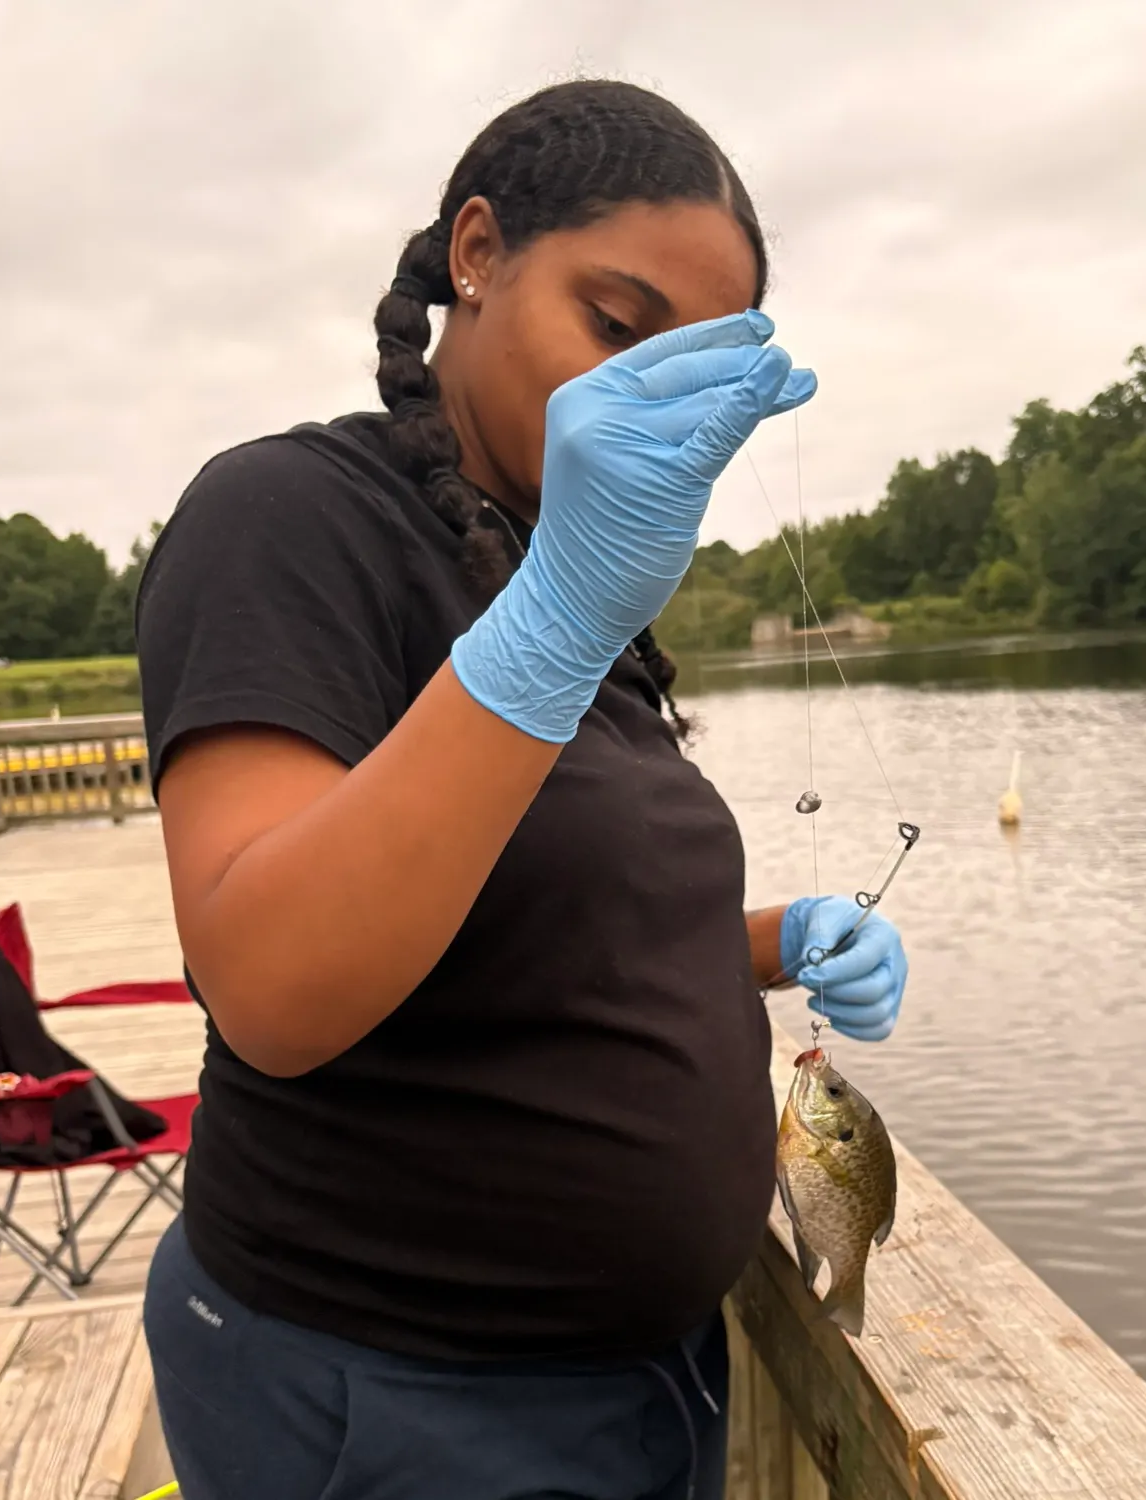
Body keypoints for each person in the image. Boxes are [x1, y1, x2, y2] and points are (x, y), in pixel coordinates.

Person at [137, 79, 909, 1500]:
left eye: (690, 370)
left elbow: (538, 930)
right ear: (477, 252)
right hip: (394, 1392)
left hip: (643, 1382)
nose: (638, 396)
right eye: (617, 331)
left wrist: (776, 940)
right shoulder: (288, 520)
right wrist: (550, 622)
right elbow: (270, 981)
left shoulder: (581, 576)